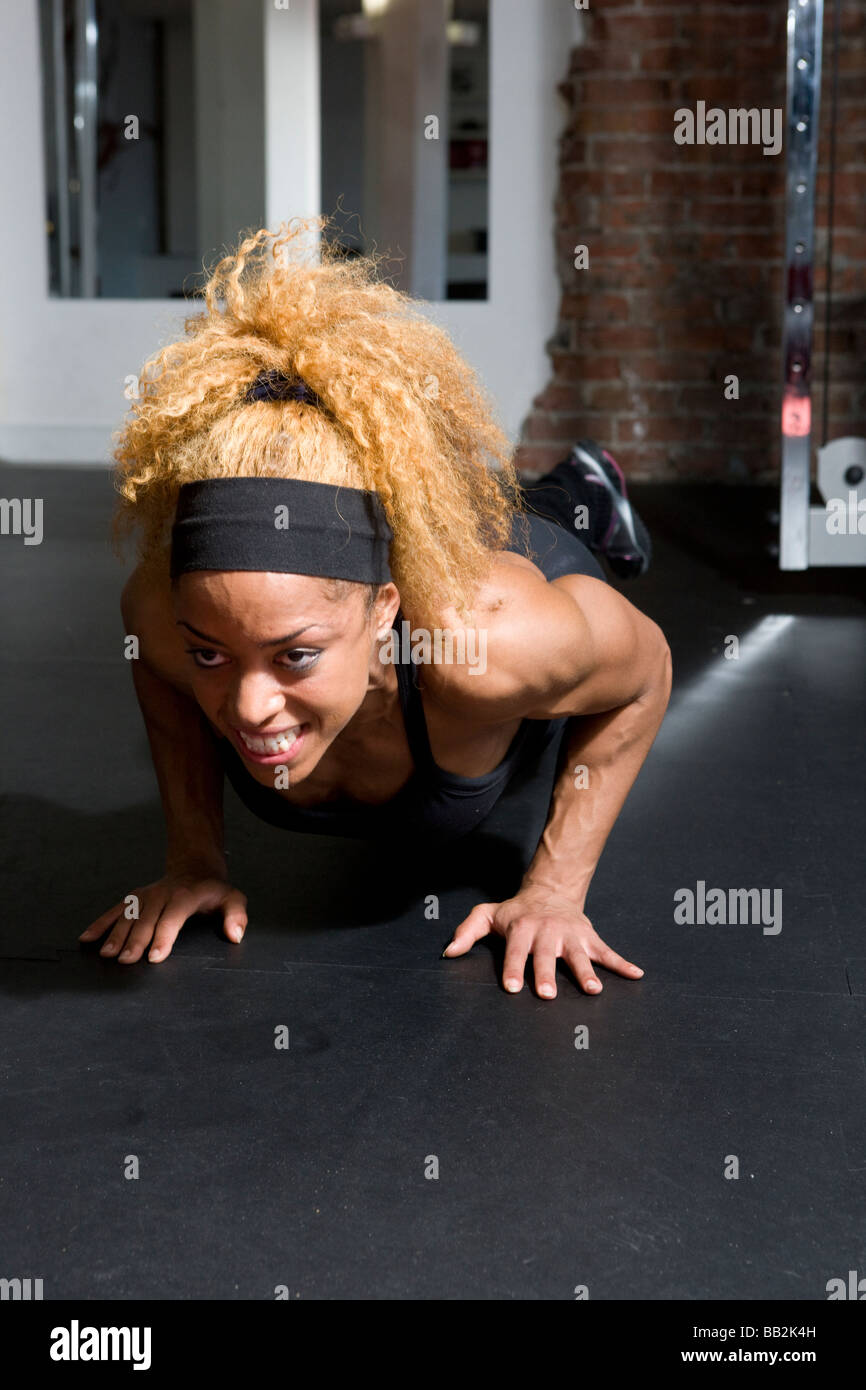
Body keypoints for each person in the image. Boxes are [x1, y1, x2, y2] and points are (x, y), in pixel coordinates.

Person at [79, 219, 671, 1001]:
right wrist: (194, 861)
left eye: (295, 655)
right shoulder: (162, 616)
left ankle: (586, 486)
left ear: (384, 610)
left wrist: (555, 890)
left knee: (525, 520)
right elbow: (162, 672)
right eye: (211, 655)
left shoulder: (487, 648)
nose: (249, 708)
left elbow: (647, 672)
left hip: (509, 570)